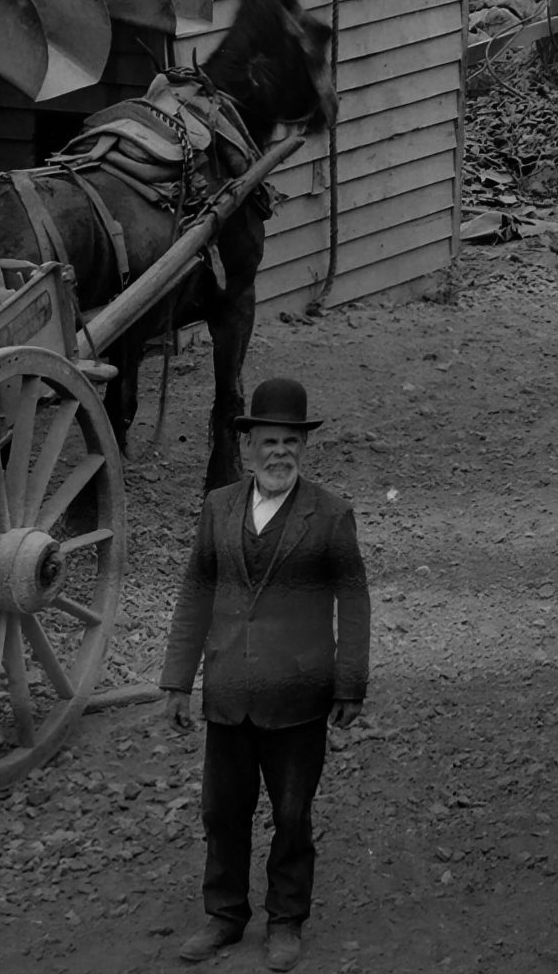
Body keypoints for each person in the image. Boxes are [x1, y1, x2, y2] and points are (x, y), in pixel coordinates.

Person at [161, 377, 370, 970]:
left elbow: (354, 602)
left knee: (292, 814)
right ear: (247, 447)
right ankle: (224, 916)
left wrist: (350, 683)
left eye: (291, 443)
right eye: (269, 442)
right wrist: (177, 681)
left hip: (300, 697)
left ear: (303, 449)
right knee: (221, 811)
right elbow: (195, 593)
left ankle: (286, 921)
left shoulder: (330, 515)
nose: (280, 453)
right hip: (227, 690)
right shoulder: (218, 508)